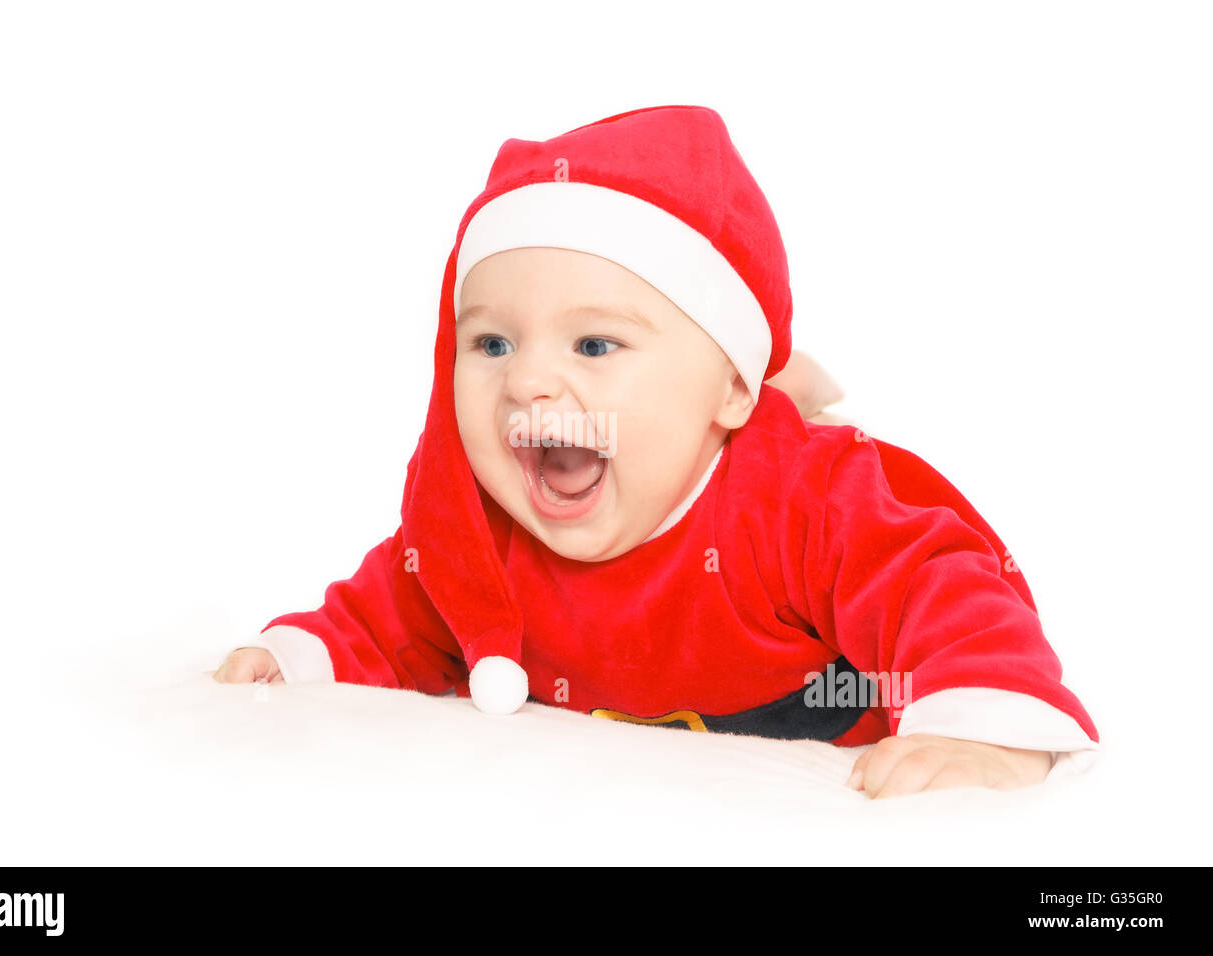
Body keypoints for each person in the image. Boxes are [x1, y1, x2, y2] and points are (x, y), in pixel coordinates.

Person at [214, 105, 1099, 799]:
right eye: (491, 346)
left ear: (728, 397)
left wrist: (981, 722)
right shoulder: (486, 530)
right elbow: (403, 607)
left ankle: (783, 383)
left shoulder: (796, 501)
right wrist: (305, 655)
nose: (527, 385)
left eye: (594, 347)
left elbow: (933, 581)